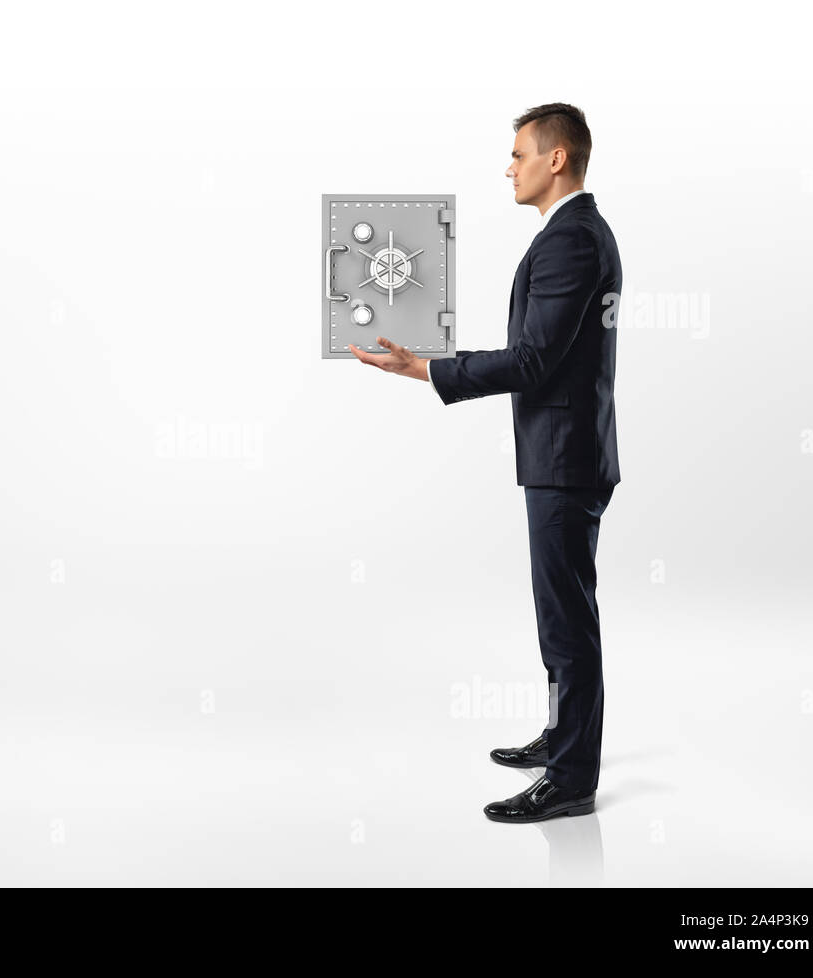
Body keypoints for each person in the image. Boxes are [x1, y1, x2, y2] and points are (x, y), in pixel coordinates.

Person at [348, 103, 622, 823]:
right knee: (562, 617)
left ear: (555, 159)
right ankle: (565, 739)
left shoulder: (571, 241)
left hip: (565, 460)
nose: (509, 166)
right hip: (565, 455)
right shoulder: (574, 235)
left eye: (518, 154)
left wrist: (430, 369)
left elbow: (533, 360)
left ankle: (571, 780)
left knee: (567, 625)